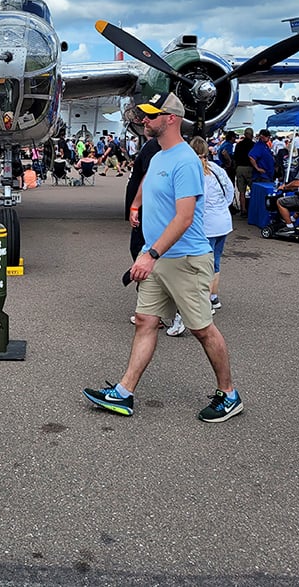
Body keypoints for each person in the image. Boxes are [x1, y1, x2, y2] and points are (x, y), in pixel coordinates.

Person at [83, 92, 242, 423]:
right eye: (144, 116)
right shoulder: (158, 156)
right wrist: (136, 205)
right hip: (154, 257)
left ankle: (229, 395)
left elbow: (184, 218)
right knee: (145, 322)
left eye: (151, 116)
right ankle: (124, 393)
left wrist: (151, 253)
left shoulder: (185, 161)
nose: (144, 120)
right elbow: (146, 182)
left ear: (171, 119)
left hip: (183, 259)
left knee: (202, 329)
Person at [167, 136, 235, 336]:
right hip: (223, 222)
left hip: (204, 226)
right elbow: (229, 191)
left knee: (195, 266)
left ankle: (199, 305)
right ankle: (213, 296)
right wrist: (222, 209)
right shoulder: (217, 170)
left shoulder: (190, 171)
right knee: (215, 262)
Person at [233, 127, 255, 217]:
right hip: (249, 168)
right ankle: (252, 209)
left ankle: (243, 209)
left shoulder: (239, 145)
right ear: (252, 135)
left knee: (241, 191)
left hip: (239, 168)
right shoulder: (253, 145)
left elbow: (235, 157)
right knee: (253, 189)